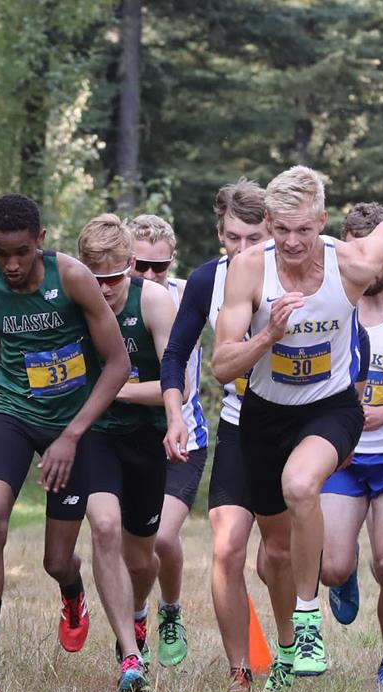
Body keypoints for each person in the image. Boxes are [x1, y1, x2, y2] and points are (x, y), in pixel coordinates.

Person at [213, 166, 383, 692]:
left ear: (322, 222)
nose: (292, 242)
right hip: (265, 413)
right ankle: (289, 650)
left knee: (301, 485)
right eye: (282, 229)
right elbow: (223, 366)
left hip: (331, 408)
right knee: (276, 554)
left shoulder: (352, 262)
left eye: (304, 230)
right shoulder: (248, 270)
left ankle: (310, 621)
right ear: (267, 222)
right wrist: (267, 335)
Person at [0, 193, 131, 692]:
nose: (12, 265)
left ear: (40, 241)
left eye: (21, 252)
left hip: (72, 423)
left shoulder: (72, 279)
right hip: (14, 415)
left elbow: (117, 365)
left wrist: (71, 436)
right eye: (1, 254)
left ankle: (72, 590)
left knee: (56, 559)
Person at [159, 178, 278, 692]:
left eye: (255, 237)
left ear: (273, 230)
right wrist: (175, 414)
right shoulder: (208, 281)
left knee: (278, 558)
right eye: (234, 237)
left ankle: (294, 651)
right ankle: (240, 669)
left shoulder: (300, 272)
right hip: (237, 423)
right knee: (227, 548)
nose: (244, 248)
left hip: (294, 430)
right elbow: (173, 356)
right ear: (220, 234)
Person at [315, 202, 383, 689]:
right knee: (333, 567)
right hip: (345, 451)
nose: (370, 271)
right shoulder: (339, 299)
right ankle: (345, 576)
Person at [75, 214, 177, 692]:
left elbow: (177, 386)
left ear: (131, 266)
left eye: (114, 279)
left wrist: (116, 390)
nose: (106, 290)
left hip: (146, 437)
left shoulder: (155, 301)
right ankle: (130, 656)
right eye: (95, 281)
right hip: (95, 436)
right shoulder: (75, 304)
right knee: (105, 527)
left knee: (142, 558)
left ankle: (139, 612)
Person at [128, 212, 207, 666]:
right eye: (141, 267)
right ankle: (136, 613)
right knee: (132, 547)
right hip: (130, 438)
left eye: (160, 267)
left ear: (171, 262)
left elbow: (181, 384)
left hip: (184, 436)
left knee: (160, 538)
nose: (151, 276)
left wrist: (115, 392)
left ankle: (170, 610)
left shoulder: (183, 300)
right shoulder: (109, 299)